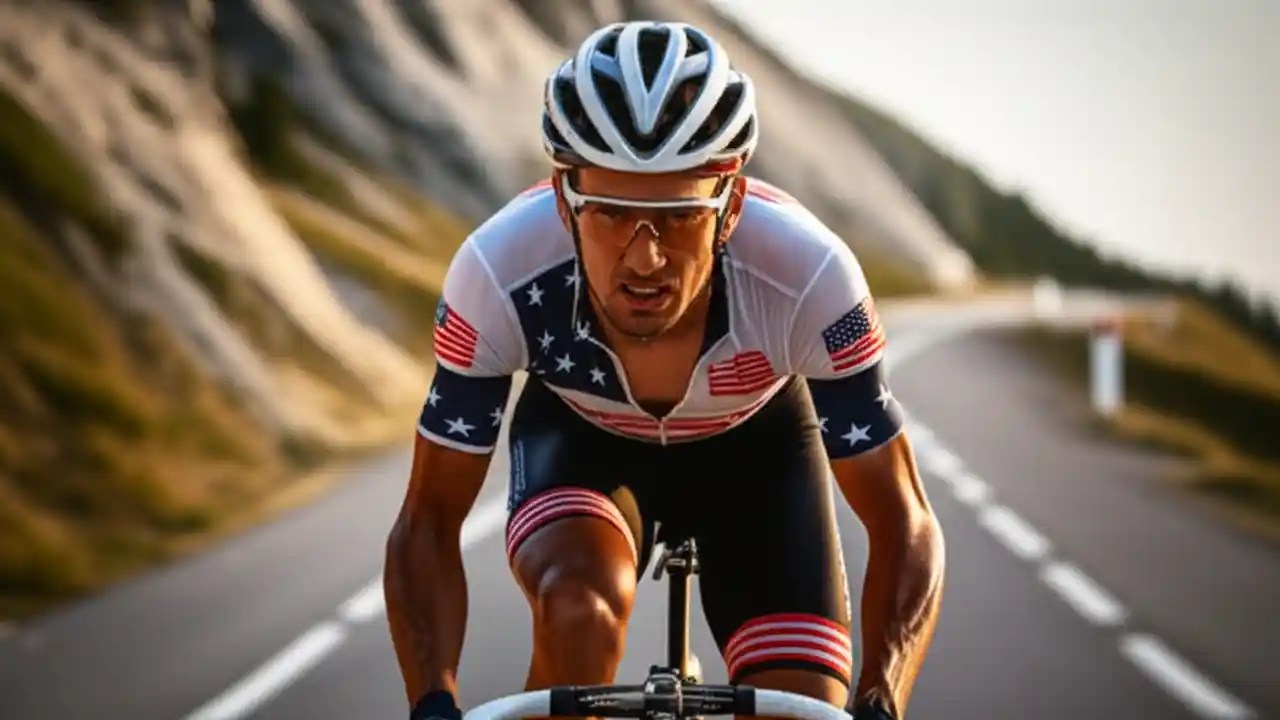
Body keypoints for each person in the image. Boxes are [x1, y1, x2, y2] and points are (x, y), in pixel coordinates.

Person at [383, 20, 945, 720]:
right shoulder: (496, 271)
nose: (644, 258)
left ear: (731, 205)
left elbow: (903, 519)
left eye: (679, 217)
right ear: (563, 200)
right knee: (579, 613)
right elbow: (429, 519)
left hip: (758, 451)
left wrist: (881, 694)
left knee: (799, 709)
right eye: (611, 214)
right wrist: (432, 703)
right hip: (586, 439)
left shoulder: (813, 277)